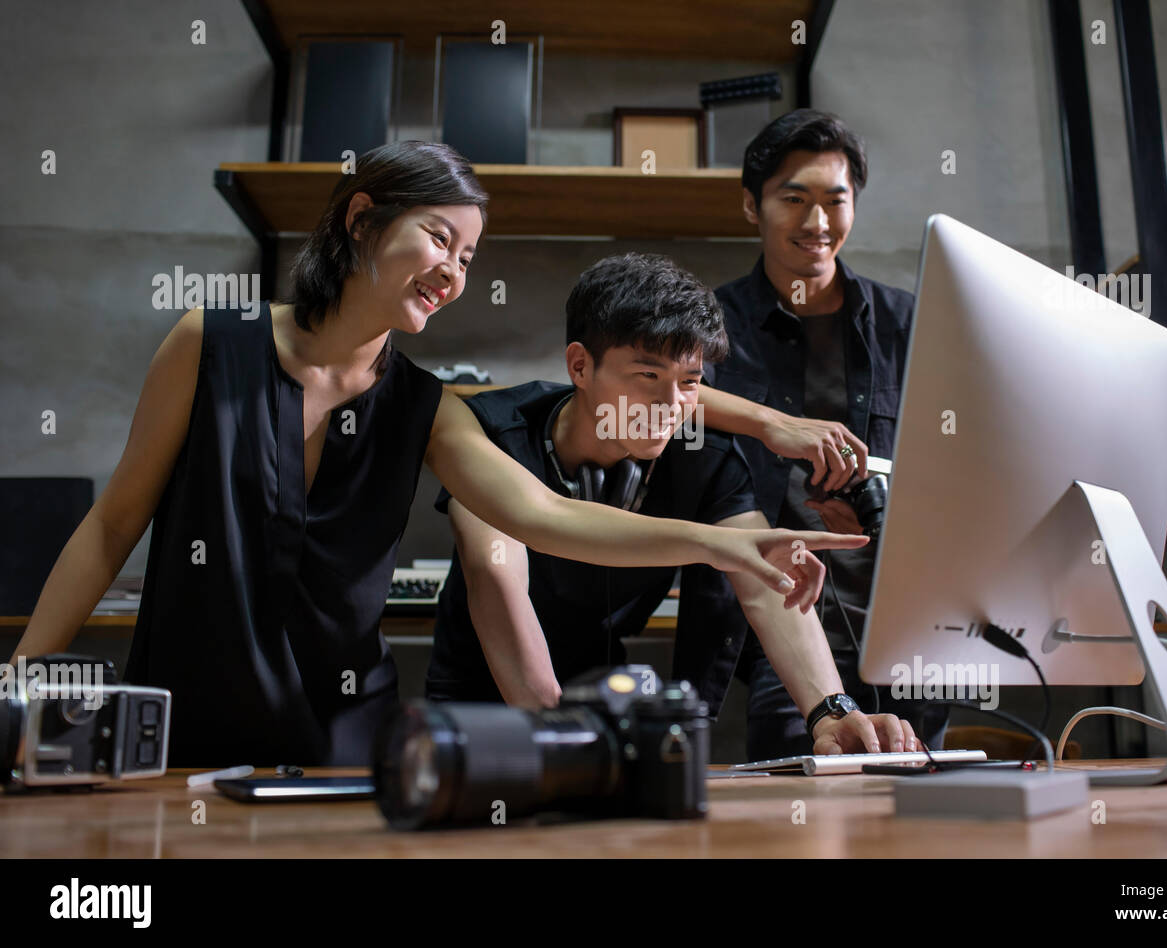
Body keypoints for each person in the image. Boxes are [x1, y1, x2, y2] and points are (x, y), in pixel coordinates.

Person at [9, 141, 866, 766]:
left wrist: (721, 540)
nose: (453, 273)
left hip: (346, 734)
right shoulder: (211, 340)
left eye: (468, 258)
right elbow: (114, 521)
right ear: (361, 218)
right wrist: (21, 683)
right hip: (185, 717)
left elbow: (547, 515)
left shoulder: (426, 406)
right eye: (440, 241)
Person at [424, 253, 922, 755]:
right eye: (647, 376)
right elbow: (496, 582)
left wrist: (830, 710)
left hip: (601, 705)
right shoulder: (496, 438)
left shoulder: (704, 457)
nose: (670, 407)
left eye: (689, 383)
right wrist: (566, 742)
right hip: (478, 712)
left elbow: (764, 583)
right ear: (579, 365)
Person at [689, 110, 950, 760]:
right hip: (786, 632)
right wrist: (773, 424)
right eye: (793, 199)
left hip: (911, 631)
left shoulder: (906, 323)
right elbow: (655, 394)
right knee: (804, 825)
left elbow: (957, 454)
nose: (817, 222)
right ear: (752, 206)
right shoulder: (711, 323)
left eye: (835, 200)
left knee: (927, 824)